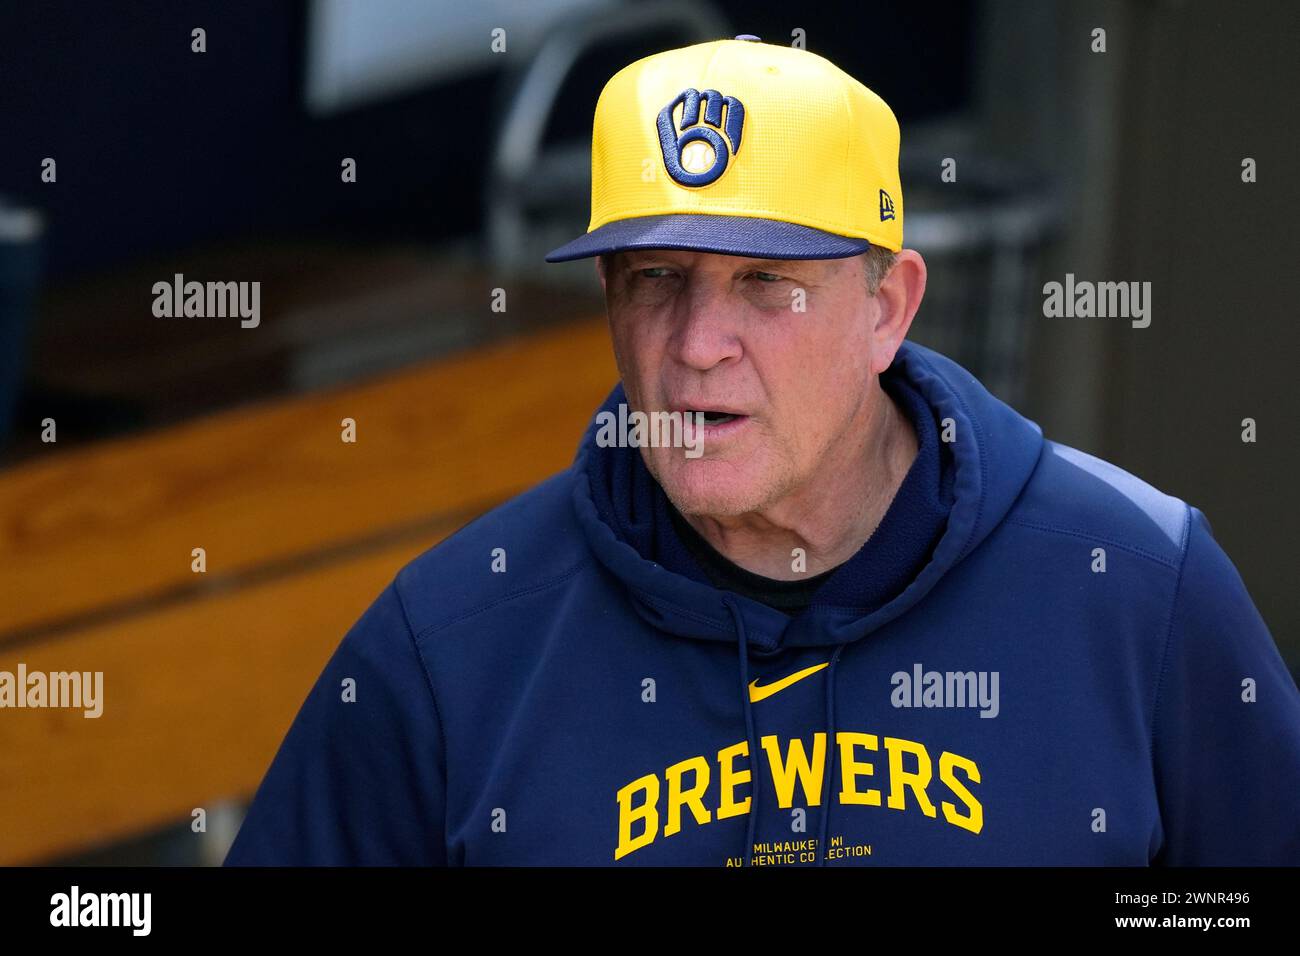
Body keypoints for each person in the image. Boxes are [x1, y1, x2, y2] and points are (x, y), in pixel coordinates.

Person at [225, 36, 1300, 867]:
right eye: (656, 279)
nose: (696, 346)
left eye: (763, 283)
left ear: (887, 306)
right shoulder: (451, 641)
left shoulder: (1136, 584)